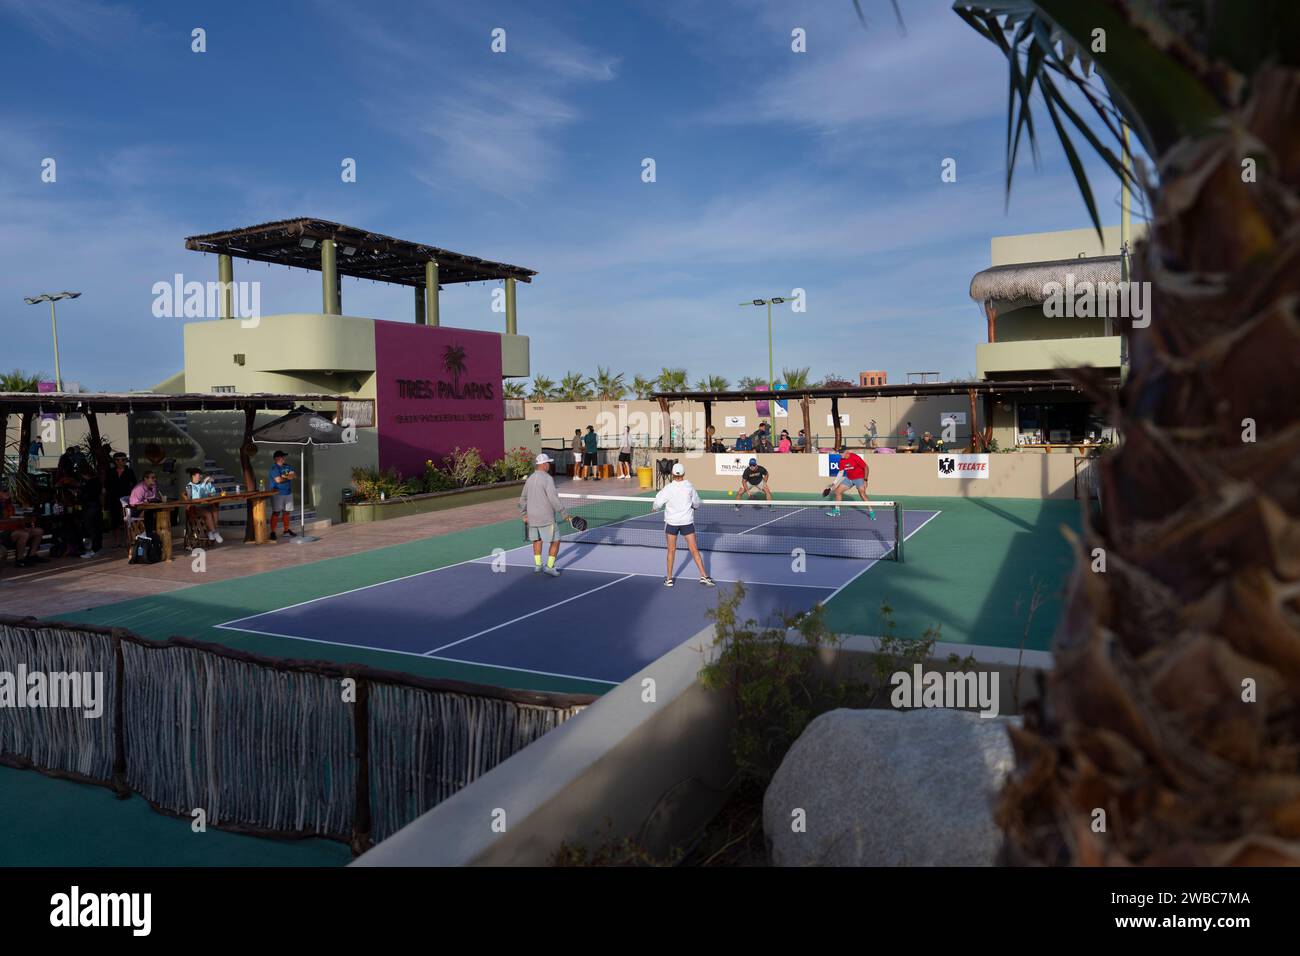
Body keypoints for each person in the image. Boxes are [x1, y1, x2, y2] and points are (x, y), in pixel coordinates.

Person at [651, 463, 714, 588]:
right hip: (687, 522)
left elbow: (658, 502)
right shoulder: (689, 487)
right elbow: (696, 503)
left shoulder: (668, 488)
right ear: (684, 474)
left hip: (672, 523)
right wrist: (693, 507)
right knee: (694, 549)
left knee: (671, 550)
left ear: (672, 474)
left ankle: (669, 579)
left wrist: (654, 507)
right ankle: (704, 576)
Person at [518, 453, 570, 577]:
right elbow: (553, 498)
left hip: (532, 517)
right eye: (548, 463)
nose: (549, 465)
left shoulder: (530, 478)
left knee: (537, 539)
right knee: (556, 541)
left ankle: (537, 565)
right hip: (546, 517)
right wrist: (563, 513)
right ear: (543, 464)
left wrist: (524, 514)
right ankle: (550, 567)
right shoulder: (547, 478)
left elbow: (522, 499)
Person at [0, 488, 46, 568]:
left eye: (7, 491)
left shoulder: (10, 504)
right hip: (3, 532)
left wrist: (25, 519)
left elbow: (15, 516)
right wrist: (14, 520)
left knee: (38, 531)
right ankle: (19, 560)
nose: (7, 492)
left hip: (13, 529)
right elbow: (4, 520)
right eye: (4, 491)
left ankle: (32, 555)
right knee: (23, 534)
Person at [826, 446, 874, 519]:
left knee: (862, 494)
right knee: (837, 491)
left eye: (842, 452)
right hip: (849, 479)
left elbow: (866, 467)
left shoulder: (855, 457)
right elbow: (841, 473)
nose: (840, 454)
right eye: (839, 452)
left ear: (847, 452)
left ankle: (871, 512)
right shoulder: (841, 461)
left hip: (859, 478)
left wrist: (865, 480)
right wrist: (835, 483)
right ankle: (837, 510)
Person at [104, 452, 137, 548]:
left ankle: (127, 538)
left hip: (126, 498)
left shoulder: (130, 471)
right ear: (114, 461)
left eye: (123, 460)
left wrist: (131, 496)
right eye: (117, 460)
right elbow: (106, 485)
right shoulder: (110, 472)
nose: (120, 462)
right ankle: (117, 541)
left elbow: (134, 484)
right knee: (115, 519)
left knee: (126, 518)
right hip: (113, 498)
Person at [185, 467, 223, 544]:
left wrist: (209, 484)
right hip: (196, 507)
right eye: (199, 475)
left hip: (206, 504)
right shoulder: (189, 486)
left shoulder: (202, 484)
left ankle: (211, 532)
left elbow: (212, 492)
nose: (200, 477)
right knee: (208, 514)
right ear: (193, 476)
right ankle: (214, 532)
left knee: (215, 510)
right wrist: (204, 483)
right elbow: (196, 497)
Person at [77, 462, 104, 558]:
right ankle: (98, 548)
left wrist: (78, 495)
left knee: (91, 529)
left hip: (89, 507)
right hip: (96, 506)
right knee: (97, 528)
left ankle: (93, 550)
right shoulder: (97, 481)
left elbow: (85, 496)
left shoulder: (88, 484)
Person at [268, 451, 296, 539]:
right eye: (282, 457)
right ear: (276, 458)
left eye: (284, 457)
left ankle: (286, 530)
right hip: (277, 493)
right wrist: (287, 476)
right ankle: (272, 532)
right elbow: (278, 480)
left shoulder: (288, 466)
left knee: (287, 512)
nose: (284, 459)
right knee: (276, 513)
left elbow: (294, 475)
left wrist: (283, 476)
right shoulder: (274, 468)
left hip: (288, 492)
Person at [128, 470, 164, 536]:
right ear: (145, 479)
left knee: (160, 510)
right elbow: (134, 503)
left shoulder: (153, 486)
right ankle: (149, 533)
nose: (155, 479)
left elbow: (153, 497)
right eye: (152, 478)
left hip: (147, 508)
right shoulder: (139, 488)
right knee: (149, 512)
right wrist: (147, 502)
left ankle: (157, 532)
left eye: (155, 477)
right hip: (136, 509)